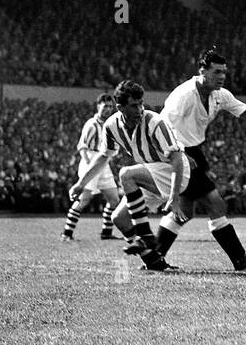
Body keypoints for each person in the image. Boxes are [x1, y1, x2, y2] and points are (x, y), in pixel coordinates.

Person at [159, 49, 246, 270]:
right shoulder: (184, 95)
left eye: (224, 72)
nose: (222, 76)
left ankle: (154, 257)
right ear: (202, 71)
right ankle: (240, 259)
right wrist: (181, 155)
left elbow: (244, 111)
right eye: (216, 72)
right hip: (179, 152)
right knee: (216, 203)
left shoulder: (219, 94)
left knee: (185, 211)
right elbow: (163, 127)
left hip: (194, 151)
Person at [69, 80, 185, 272]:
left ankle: (146, 237)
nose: (140, 109)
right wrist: (81, 183)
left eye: (141, 103)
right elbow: (103, 157)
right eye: (134, 105)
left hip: (173, 173)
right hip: (150, 176)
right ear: (120, 107)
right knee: (119, 219)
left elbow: (177, 159)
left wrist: (174, 197)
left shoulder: (155, 121)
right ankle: (155, 263)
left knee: (126, 174)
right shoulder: (111, 126)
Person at [62, 93, 121, 242]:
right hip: (92, 162)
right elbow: (82, 146)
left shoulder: (110, 124)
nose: (108, 109)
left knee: (114, 199)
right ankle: (67, 233)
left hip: (104, 163)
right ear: (98, 106)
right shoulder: (92, 124)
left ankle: (106, 232)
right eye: (105, 106)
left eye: (110, 107)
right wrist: (87, 161)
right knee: (84, 199)